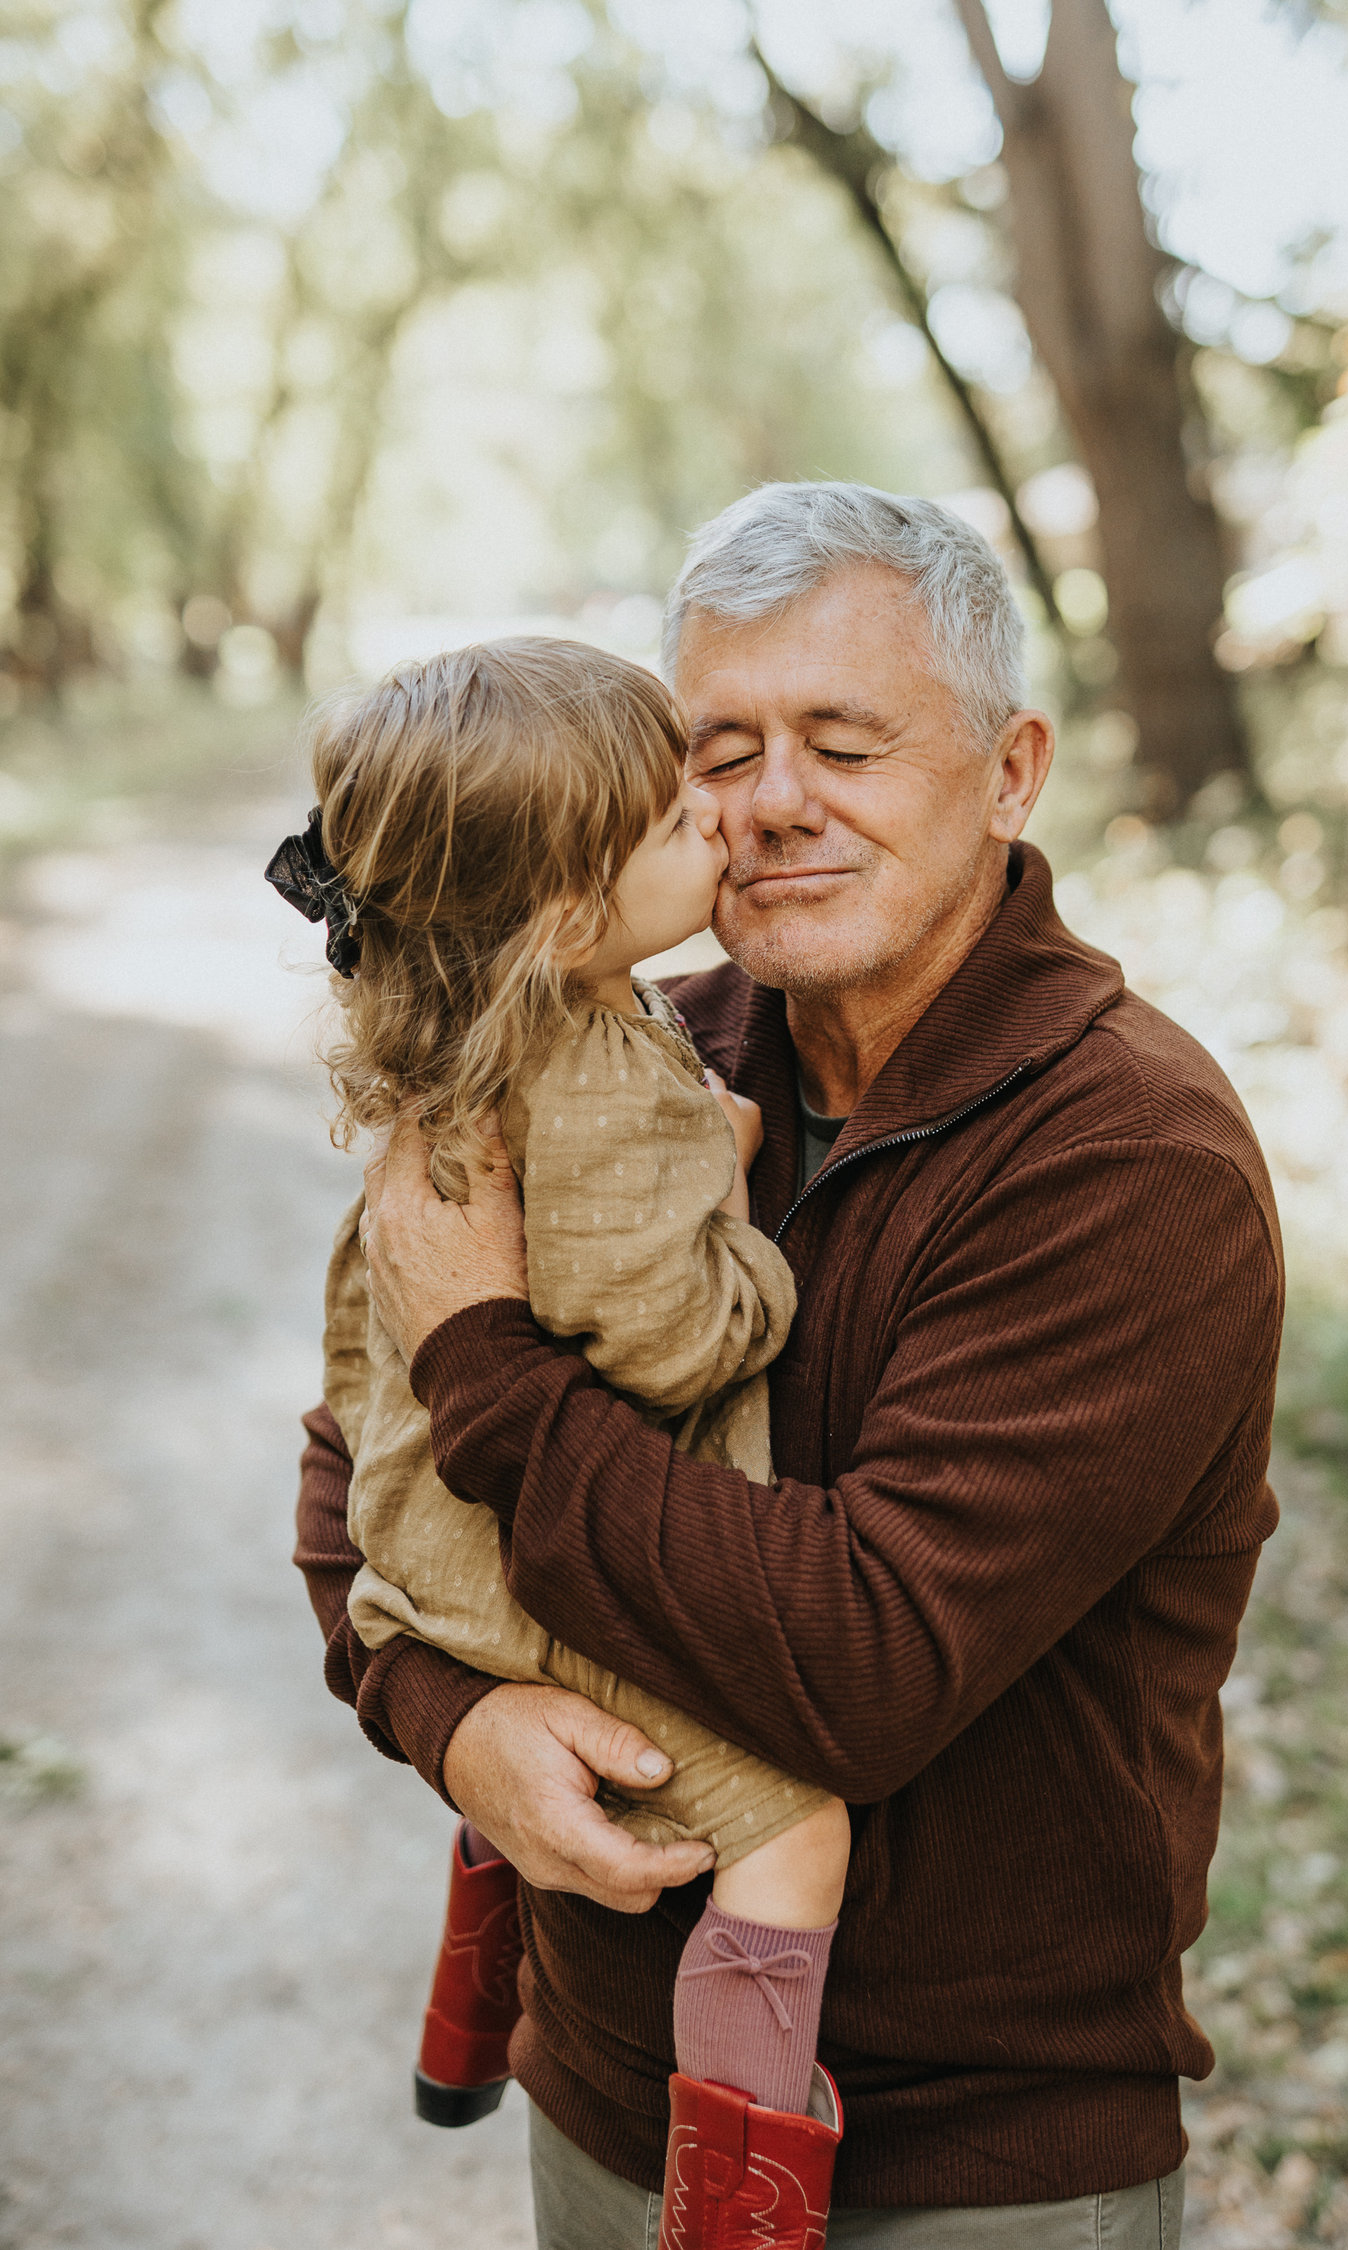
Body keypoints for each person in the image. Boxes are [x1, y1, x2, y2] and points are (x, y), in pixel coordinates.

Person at [296, 482, 1284, 2249]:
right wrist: (453, 1727)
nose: (769, 805)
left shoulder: (1133, 1160)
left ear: (1009, 768)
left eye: (843, 741)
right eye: (721, 748)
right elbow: (353, 1462)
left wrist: (491, 1359)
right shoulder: (624, 1044)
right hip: (599, 2086)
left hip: (979, 2166)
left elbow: (863, 1666)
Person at [271, 639, 851, 2173]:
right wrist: (747, 1226)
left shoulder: (497, 1033)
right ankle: (735, 2188)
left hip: (433, 1538)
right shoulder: (597, 1073)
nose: (721, 821)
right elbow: (665, 1344)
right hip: (519, 1564)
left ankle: (476, 1997)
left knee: (544, 1756)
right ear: (565, 913)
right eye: (675, 818)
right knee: (797, 1834)